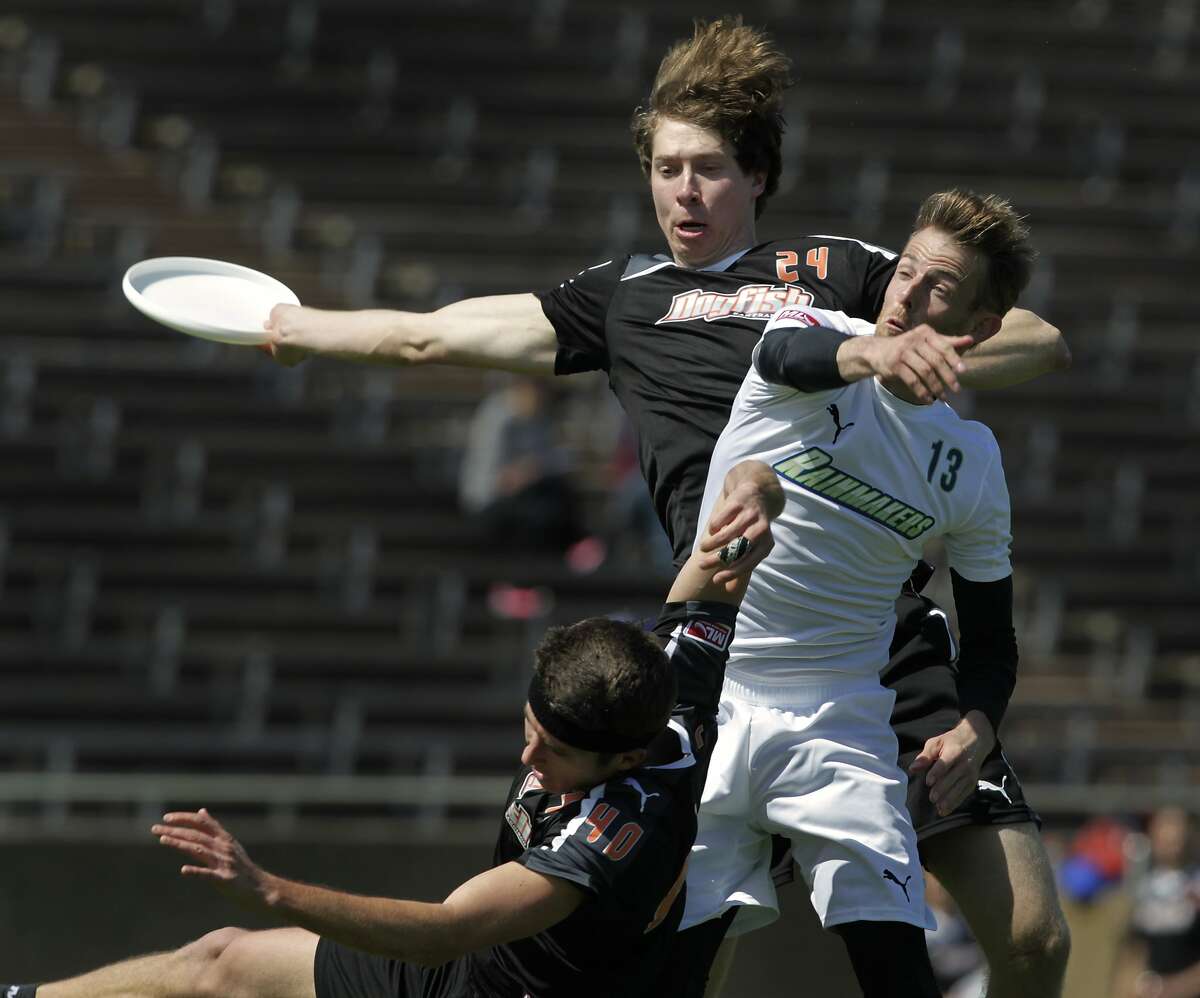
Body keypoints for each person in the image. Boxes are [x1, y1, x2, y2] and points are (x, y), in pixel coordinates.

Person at [258, 16, 1070, 994]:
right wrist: (302, 326)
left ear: (758, 176)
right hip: (732, 656)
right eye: (668, 166)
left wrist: (921, 350)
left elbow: (1035, 334)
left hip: (883, 648)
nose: (686, 189)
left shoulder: (833, 273)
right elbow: (431, 337)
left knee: (1031, 937)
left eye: (712, 167)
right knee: (688, 938)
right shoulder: (624, 299)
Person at [0, 461, 785, 998]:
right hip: (476, 968)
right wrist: (758, 488)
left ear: (623, 757)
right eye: (529, 730)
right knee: (217, 962)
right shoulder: (669, 688)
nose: (527, 758)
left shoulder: (617, 836)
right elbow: (722, 564)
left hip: (499, 981)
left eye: (555, 753)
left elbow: (444, 930)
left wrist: (271, 887)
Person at [680, 188, 1052, 997]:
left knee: (900, 975)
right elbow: (786, 362)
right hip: (711, 693)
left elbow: (993, 645)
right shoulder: (811, 333)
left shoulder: (971, 461)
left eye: (939, 287)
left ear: (980, 328)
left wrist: (977, 727)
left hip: (842, 727)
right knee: (668, 975)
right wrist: (872, 358)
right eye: (904, 270)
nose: (907, 295)